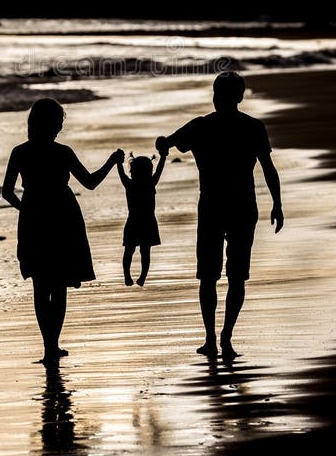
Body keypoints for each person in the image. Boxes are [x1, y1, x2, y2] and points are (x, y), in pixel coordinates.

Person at [156, 71, 284, 361]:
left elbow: (168, 142)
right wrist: (277, 204)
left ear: (227, 97)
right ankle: (223, 336)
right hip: (241, 206)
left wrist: (162, 144)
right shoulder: (252, 126)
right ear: (239, 97)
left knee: (209, 276)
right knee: (235, 276)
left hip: (214, 207)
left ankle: (213, 338)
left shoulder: (201, 126)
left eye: (219, 94)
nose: (217, 100)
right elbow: (268, 167)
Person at [2, 97, 123, 365]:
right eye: (58, 123)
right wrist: (112, 162)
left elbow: (6, 192)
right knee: (58, 285)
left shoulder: (20, 152)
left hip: (34, 218)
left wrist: (26, 209)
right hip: (63, 215)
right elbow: (90, 183)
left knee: (40, 283)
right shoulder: (62, 152)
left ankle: (49, 346)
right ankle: (52, 345)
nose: (58, 128)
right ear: (54, 125)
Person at [117, 144, 167, 287]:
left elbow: (121, 173)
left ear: (132, 171)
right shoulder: (150, 183)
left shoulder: (131, 184)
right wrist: (163, 156)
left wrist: (118, 163)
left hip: (134, 221)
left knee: (130, 250)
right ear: (149, 171)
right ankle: (140, 275)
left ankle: (129, 274)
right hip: (146, 222)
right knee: (144, 251)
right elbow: (160, 170)